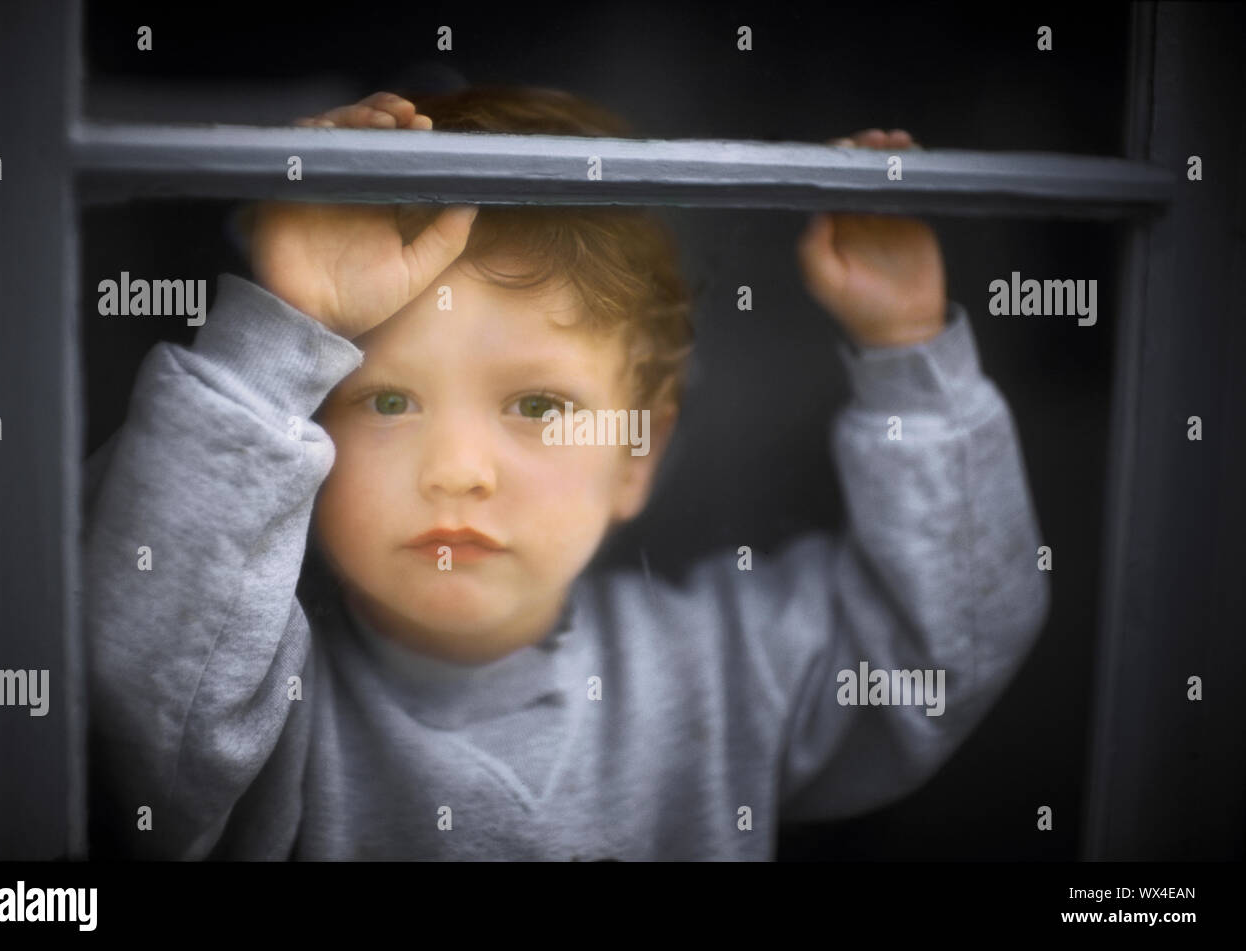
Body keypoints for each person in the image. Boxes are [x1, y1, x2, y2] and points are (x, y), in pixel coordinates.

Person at [83, 86, 1049, 860]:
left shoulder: (723, 671)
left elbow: (941, 653)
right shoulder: (261, 708)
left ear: (640, 454)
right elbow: (138, 697)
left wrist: (908, 353)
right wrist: (275, 335)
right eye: (386, 401)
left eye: (539, 406)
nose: (457, 471)